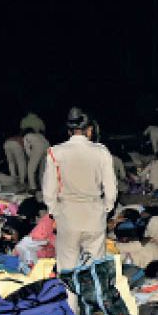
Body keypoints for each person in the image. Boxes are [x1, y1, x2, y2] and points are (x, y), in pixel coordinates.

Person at [41, 108, 117, 276]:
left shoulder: (55, 152)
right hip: (94, 213)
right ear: (89, 130)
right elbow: (111, 190)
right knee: (94, 270)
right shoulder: (101, 151)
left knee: (67, 268)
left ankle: (70, 293)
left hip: (68, 214)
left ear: (69, 131)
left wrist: (55, 212)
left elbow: (49, 191)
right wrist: (105, 208)